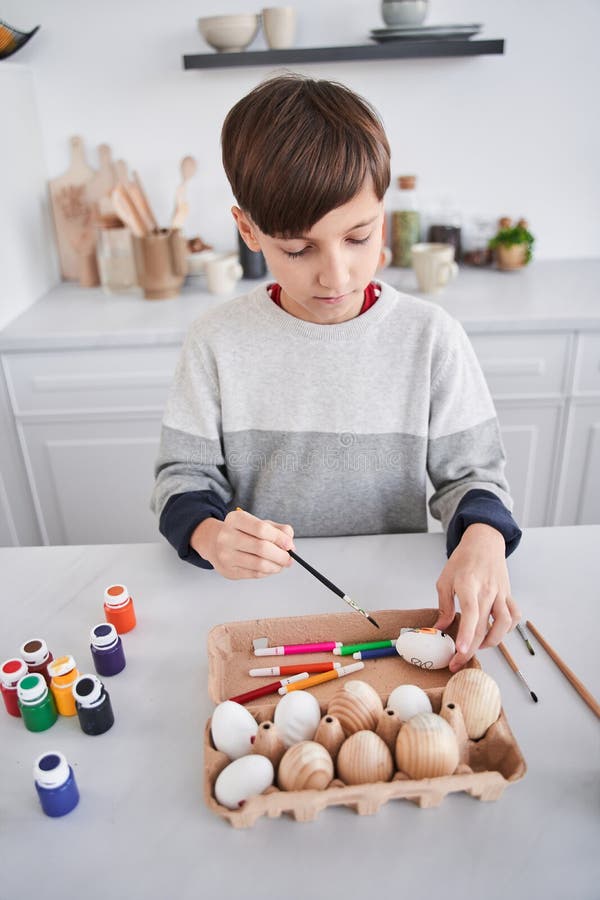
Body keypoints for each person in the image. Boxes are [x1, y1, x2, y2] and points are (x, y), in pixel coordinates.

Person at [151, 74, 522, 671]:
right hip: (259, 606)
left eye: (359, 237)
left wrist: (482, 539)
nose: (338, 275)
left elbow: (475, 477)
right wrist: (210, 537)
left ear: (384, 211)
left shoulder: (430, 337)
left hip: (392, 597)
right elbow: (181, 480)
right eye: (298, 250)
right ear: (248, 230)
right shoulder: (216, 341)